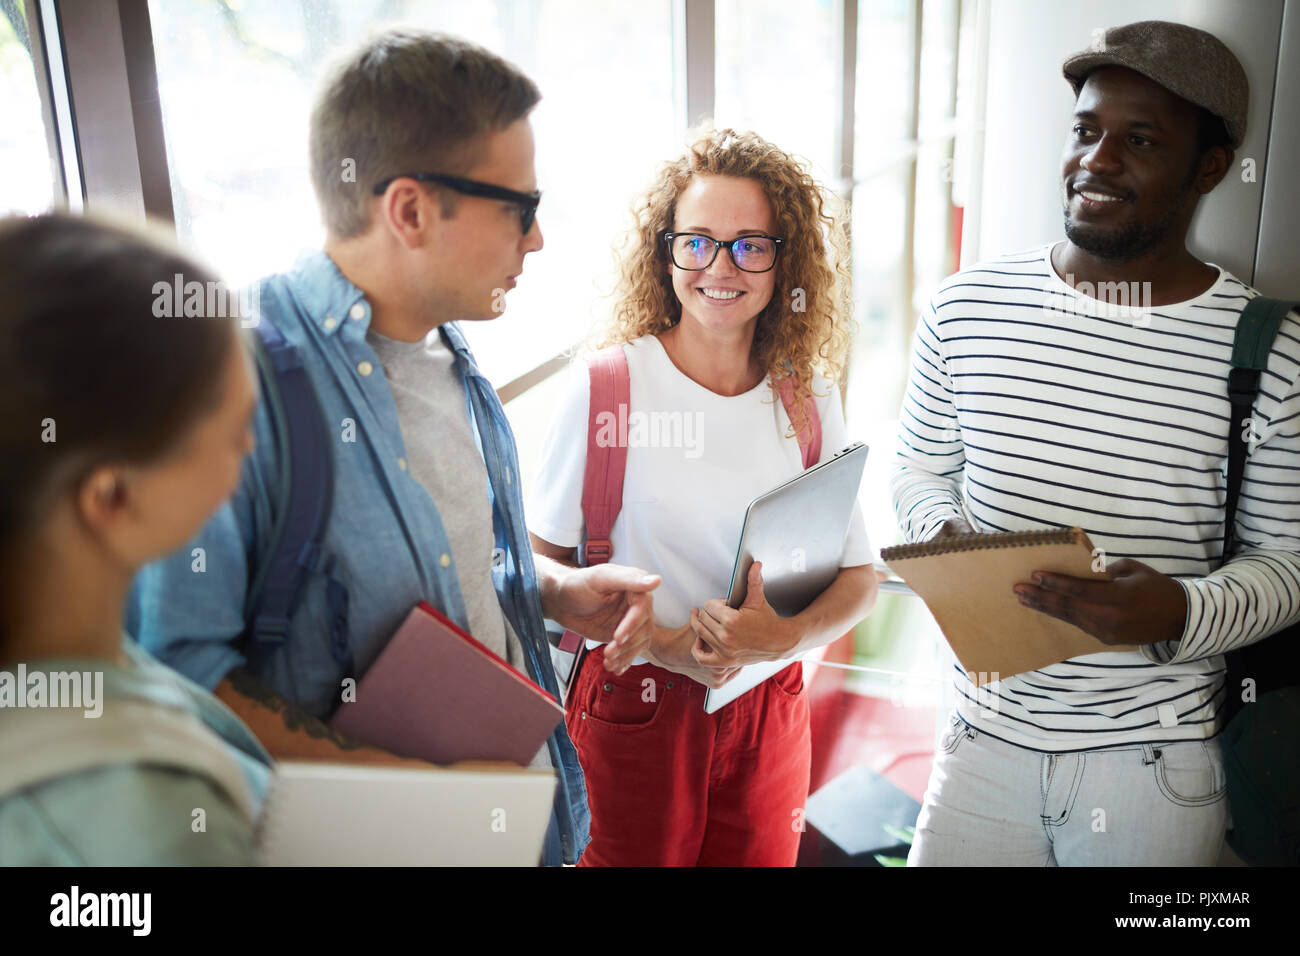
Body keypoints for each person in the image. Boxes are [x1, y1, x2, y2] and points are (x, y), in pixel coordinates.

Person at [127, 29, 660, 867]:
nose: (538, 238)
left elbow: (435, 551)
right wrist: (409, 788)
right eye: (518, 207)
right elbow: (178, 677)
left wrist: (550, 587)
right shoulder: (229, 381)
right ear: (410, 210)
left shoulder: (446, 345)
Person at [892, 20, 1300, 866]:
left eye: (1140, 140)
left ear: (1211, 168)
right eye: (1086, 131)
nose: (1097, 160)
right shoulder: (964, 310)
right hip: (979, 747)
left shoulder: (1273, 350)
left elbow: (1290, 564)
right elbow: (920, 469)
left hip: (1157, 769)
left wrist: (1180, 611)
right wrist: (942, 533)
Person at [528, 128, 879, 866]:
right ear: (667, 252)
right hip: (633, 704)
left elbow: (859, 578)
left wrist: (779, 639)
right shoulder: (607, 388)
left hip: (769, 705)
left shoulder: (806, 392)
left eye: (751, 245)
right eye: (698, 242)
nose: (722, 267)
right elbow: (534, 571)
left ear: (785, 262)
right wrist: (657, 638)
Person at [0, 213, 271, 865]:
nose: (250, 447)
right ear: (113, 497)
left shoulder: (82, 651)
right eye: (235, 431)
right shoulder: (143, 835)